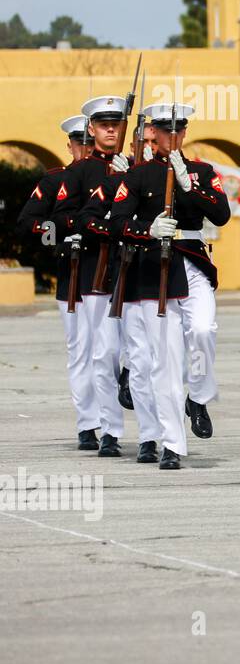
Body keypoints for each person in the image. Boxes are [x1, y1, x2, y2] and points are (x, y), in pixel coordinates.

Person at [108, 102, 231, 469]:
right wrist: (146, 231)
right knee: (164, 360)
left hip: (192, 263)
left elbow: (220, 214)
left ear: (185, 134)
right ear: (154, 133)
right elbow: (115, 222)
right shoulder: (139, 176)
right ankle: (172, 445)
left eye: (178, 131)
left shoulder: (202, 171)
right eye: (165, 131)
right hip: (154, 270)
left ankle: (200, 394)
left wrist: (186, 184)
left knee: (204, 329)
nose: (172, 137)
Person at [51, 95, 131, 457]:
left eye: (117, 123)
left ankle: (151, 430)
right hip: (94, 272)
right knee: (98, 353)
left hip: (135, 270)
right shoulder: (78, 173)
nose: (111, 129)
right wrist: (100, 225)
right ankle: (101, 427)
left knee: (135, 353)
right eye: (104, 124)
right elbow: (64, 215)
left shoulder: (137, 167)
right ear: (93, 129)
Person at [16, 115, 100, 449]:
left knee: (113, 352)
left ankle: (110, 421)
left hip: (112, 275)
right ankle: (88, 424)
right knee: (81, 351)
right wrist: (63, 226)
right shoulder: (55, 182)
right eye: (80, 144)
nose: (85, 150)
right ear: (70, 146)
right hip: (74, 274)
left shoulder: (118, 177)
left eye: (90, 144)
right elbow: (27, 224)